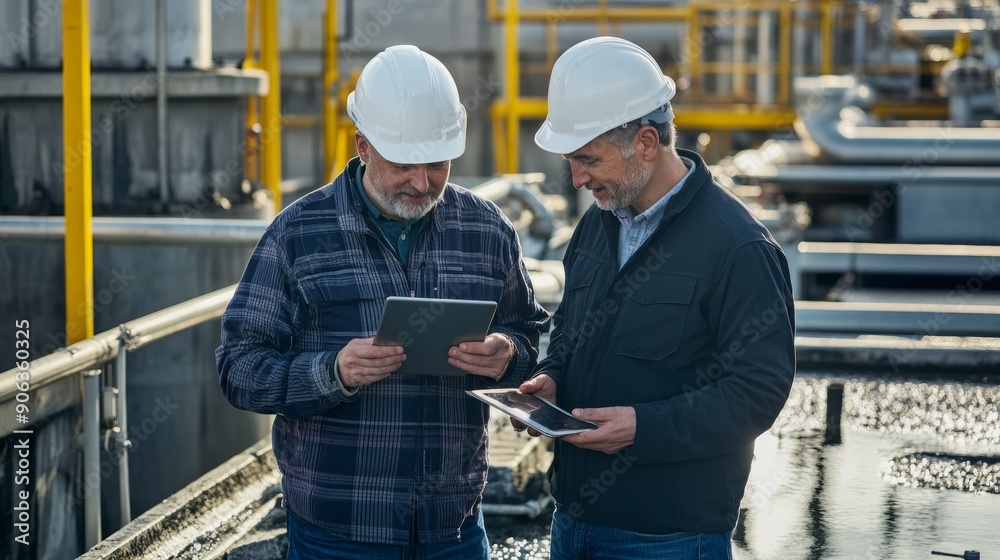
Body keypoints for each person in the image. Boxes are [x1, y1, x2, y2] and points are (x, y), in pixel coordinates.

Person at [217, 45, 550, 559]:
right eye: (405, 166)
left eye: (437, 164)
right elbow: (239, 369)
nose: (422, 183)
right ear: (363, 147)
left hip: (454, 529)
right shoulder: (299, 235)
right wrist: (334, 372)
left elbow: (528, 332)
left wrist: (508, 353)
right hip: (338, 532)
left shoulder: (486, 231)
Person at [516, 37, 796, 559]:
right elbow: (571, 335)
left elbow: (757, 393)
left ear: (646, 141)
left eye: (588, 159)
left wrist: (644, 429)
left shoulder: (737, 248)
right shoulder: (596, 228)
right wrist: (553, 379)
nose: (577, 179)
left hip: (671, 540)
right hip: (572, 524)